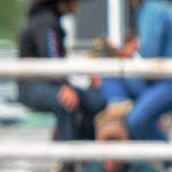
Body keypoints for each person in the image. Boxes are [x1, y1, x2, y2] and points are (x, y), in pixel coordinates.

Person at [98, 0, 172, 141]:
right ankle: (121, 104)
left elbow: (149, 54)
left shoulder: (152, 8)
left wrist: (131, 52)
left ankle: (120, 103)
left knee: (136, 120)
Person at [17, 0, 107, 143]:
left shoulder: (50, 20)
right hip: (31, 86)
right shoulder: (45, 22)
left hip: (51, 83)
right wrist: (63, 86)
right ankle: (67, 161)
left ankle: (85, 155)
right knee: (66, 102)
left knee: (96, 102)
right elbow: (50, 58)